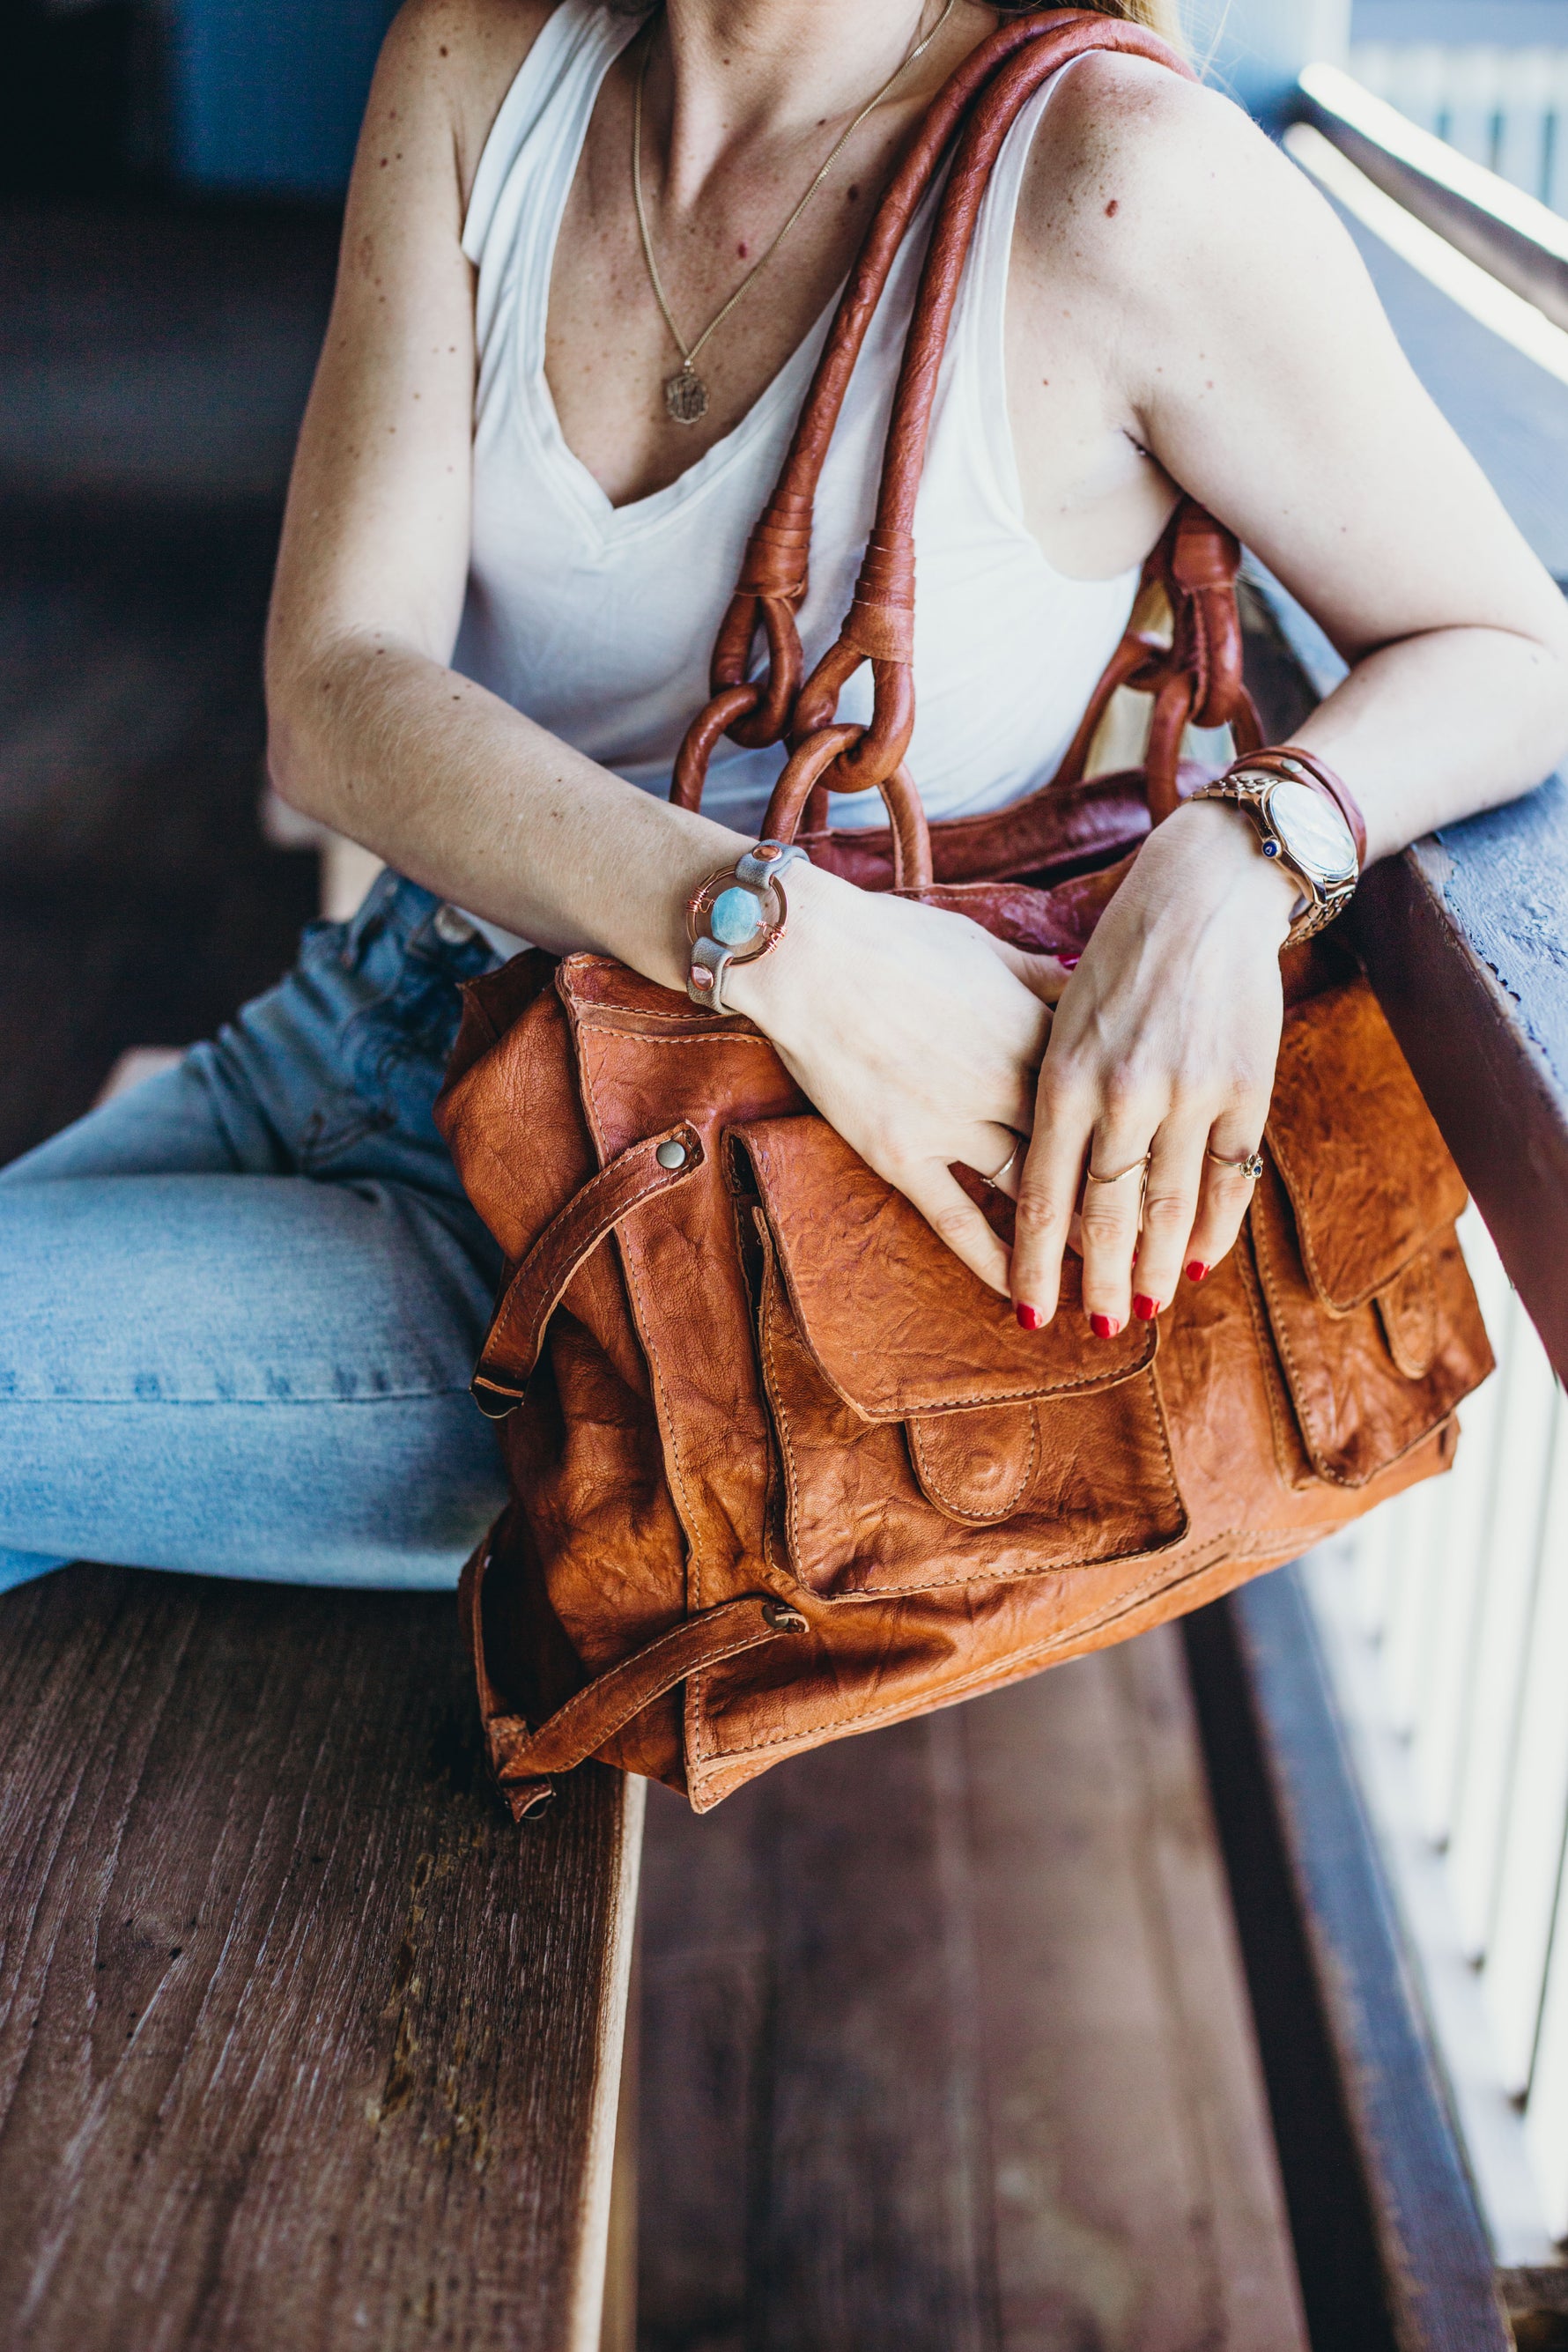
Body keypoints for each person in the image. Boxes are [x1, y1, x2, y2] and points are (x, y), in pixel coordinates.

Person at [4, 0, 1566, 1595]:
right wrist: (783, 939)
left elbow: (1516, 646)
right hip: (357, 1016)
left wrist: (1240, 854)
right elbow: (332, 692)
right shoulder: (480, 62)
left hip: (631, 1278)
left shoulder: (1116, 181)